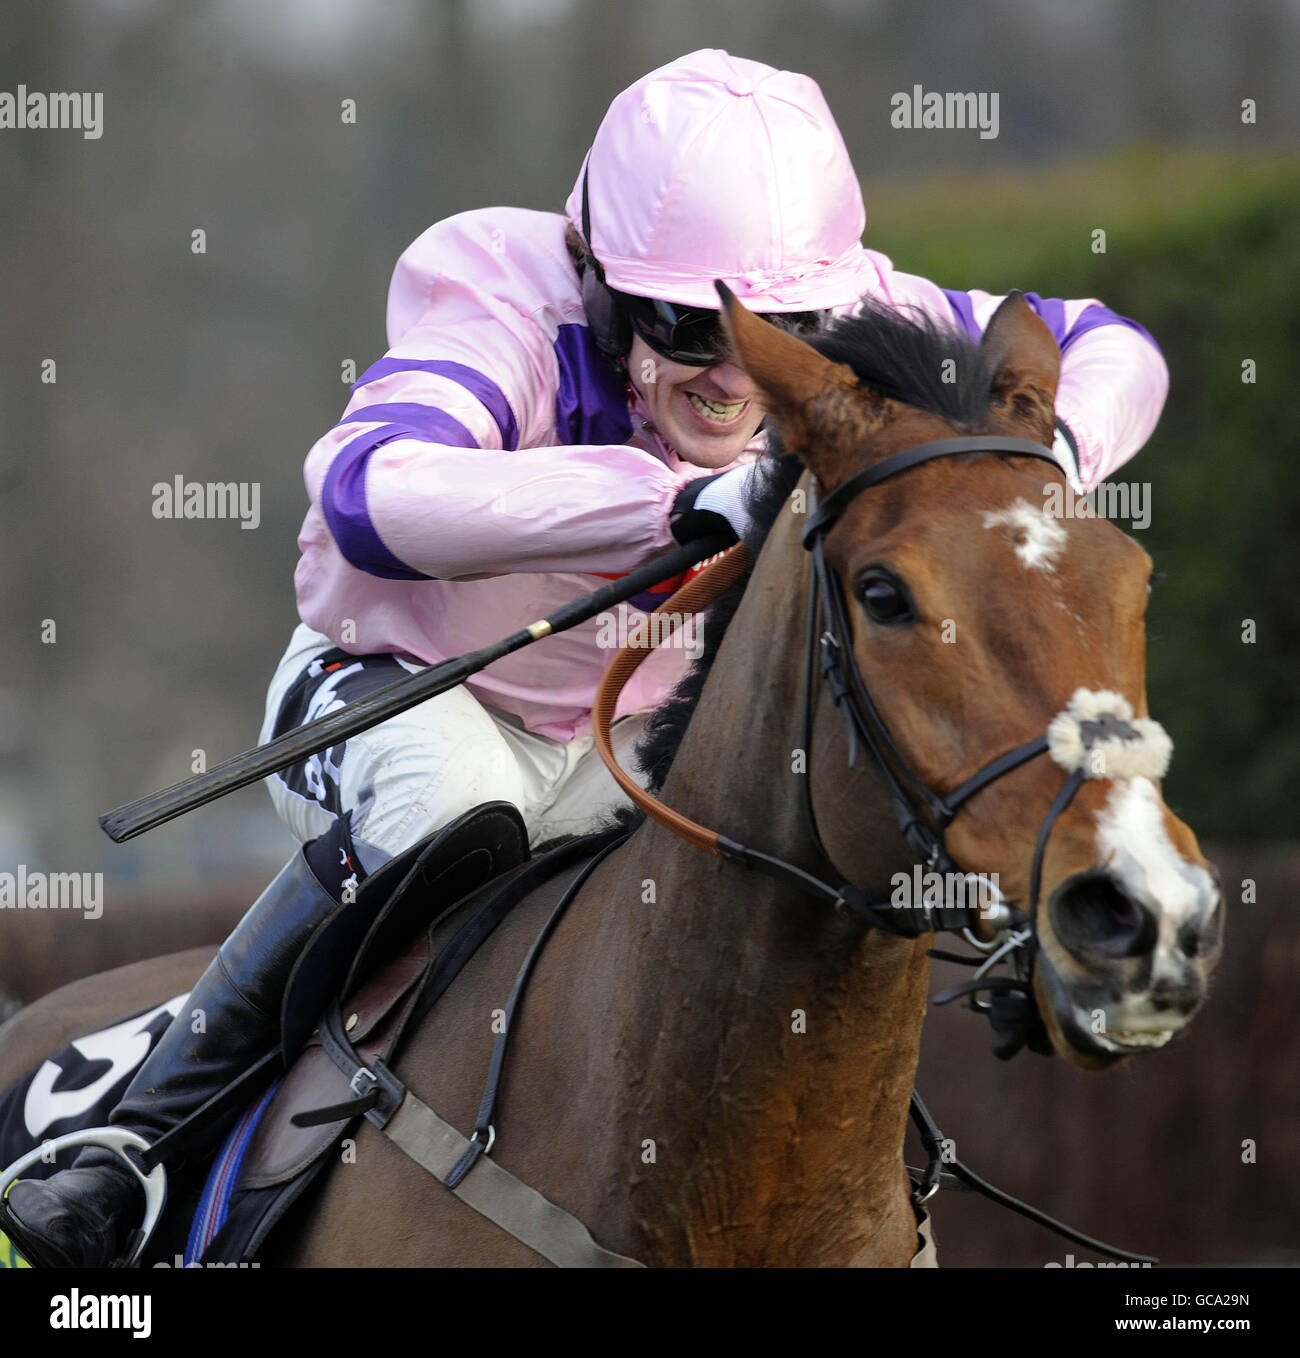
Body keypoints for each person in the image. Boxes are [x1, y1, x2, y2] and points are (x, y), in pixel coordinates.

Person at [2, 48, 1168, 1268]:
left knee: (770, 861)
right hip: (410, 692)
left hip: (639, 736)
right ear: (602, 285)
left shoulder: (878, 314)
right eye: (682, 326)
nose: (731, 374)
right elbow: (366, 492)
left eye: (783, 333)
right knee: (465, 811)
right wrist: (664, 503)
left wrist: (1041, 466)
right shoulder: (499, 292)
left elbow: (1104, 337)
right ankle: (135, 1142)